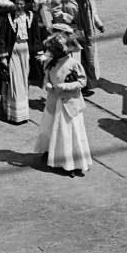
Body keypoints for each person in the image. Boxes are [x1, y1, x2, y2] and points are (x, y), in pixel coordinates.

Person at [36, 31, 93, 176]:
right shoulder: (50, 63)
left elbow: (82, 82)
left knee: (69, 134)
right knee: (50, 130)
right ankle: (50, 153)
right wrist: (47, 85)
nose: (51, 52)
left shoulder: (73, 64)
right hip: (53, 102)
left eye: (54, 49)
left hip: (69, 104)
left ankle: (72, 163)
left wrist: (64, 87)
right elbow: (46, 78)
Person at [0, 0, 35, 125]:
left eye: (21, 4)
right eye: (17, 4)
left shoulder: (31, 17)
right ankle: (14, 114)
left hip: (26, 52)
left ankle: (23, 113)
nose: (19, 6)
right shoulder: (8, 18)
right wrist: (2, 56)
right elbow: (2, 37)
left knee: (24, 81)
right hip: (13, 51)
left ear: (25, 4)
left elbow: (36, 36)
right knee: (15, 81)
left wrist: (39, 53)